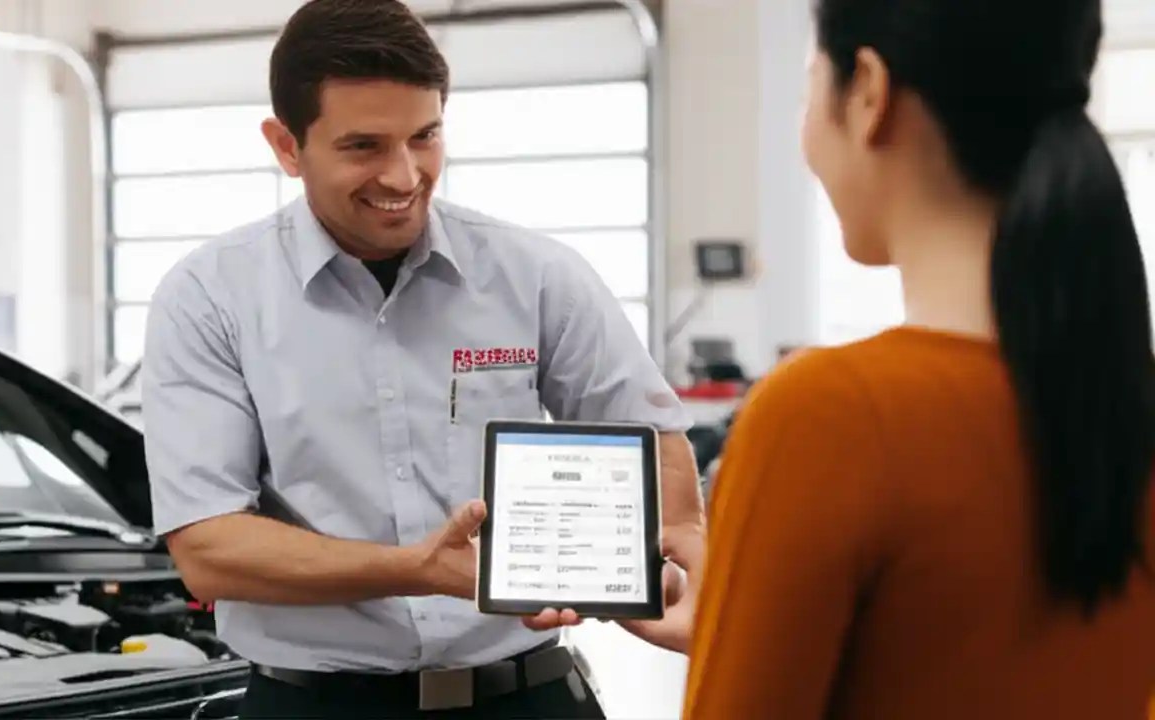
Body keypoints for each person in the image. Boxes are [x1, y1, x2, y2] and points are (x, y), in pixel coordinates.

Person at [139, 0, 704, 718]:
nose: (405, 175)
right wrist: (419, 572)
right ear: (286, 146)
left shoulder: (535, 273)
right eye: (363, 146)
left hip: (528, 697)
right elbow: (209, 548)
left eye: (425, 135)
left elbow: (652, 441)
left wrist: (659, 563)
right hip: (315, 706)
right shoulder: (208, 297)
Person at [651, 1, 1155, 718]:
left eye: (807, 89)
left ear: (867, 92)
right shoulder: (1127, 403)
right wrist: (746, 626)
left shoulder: (825, 417)